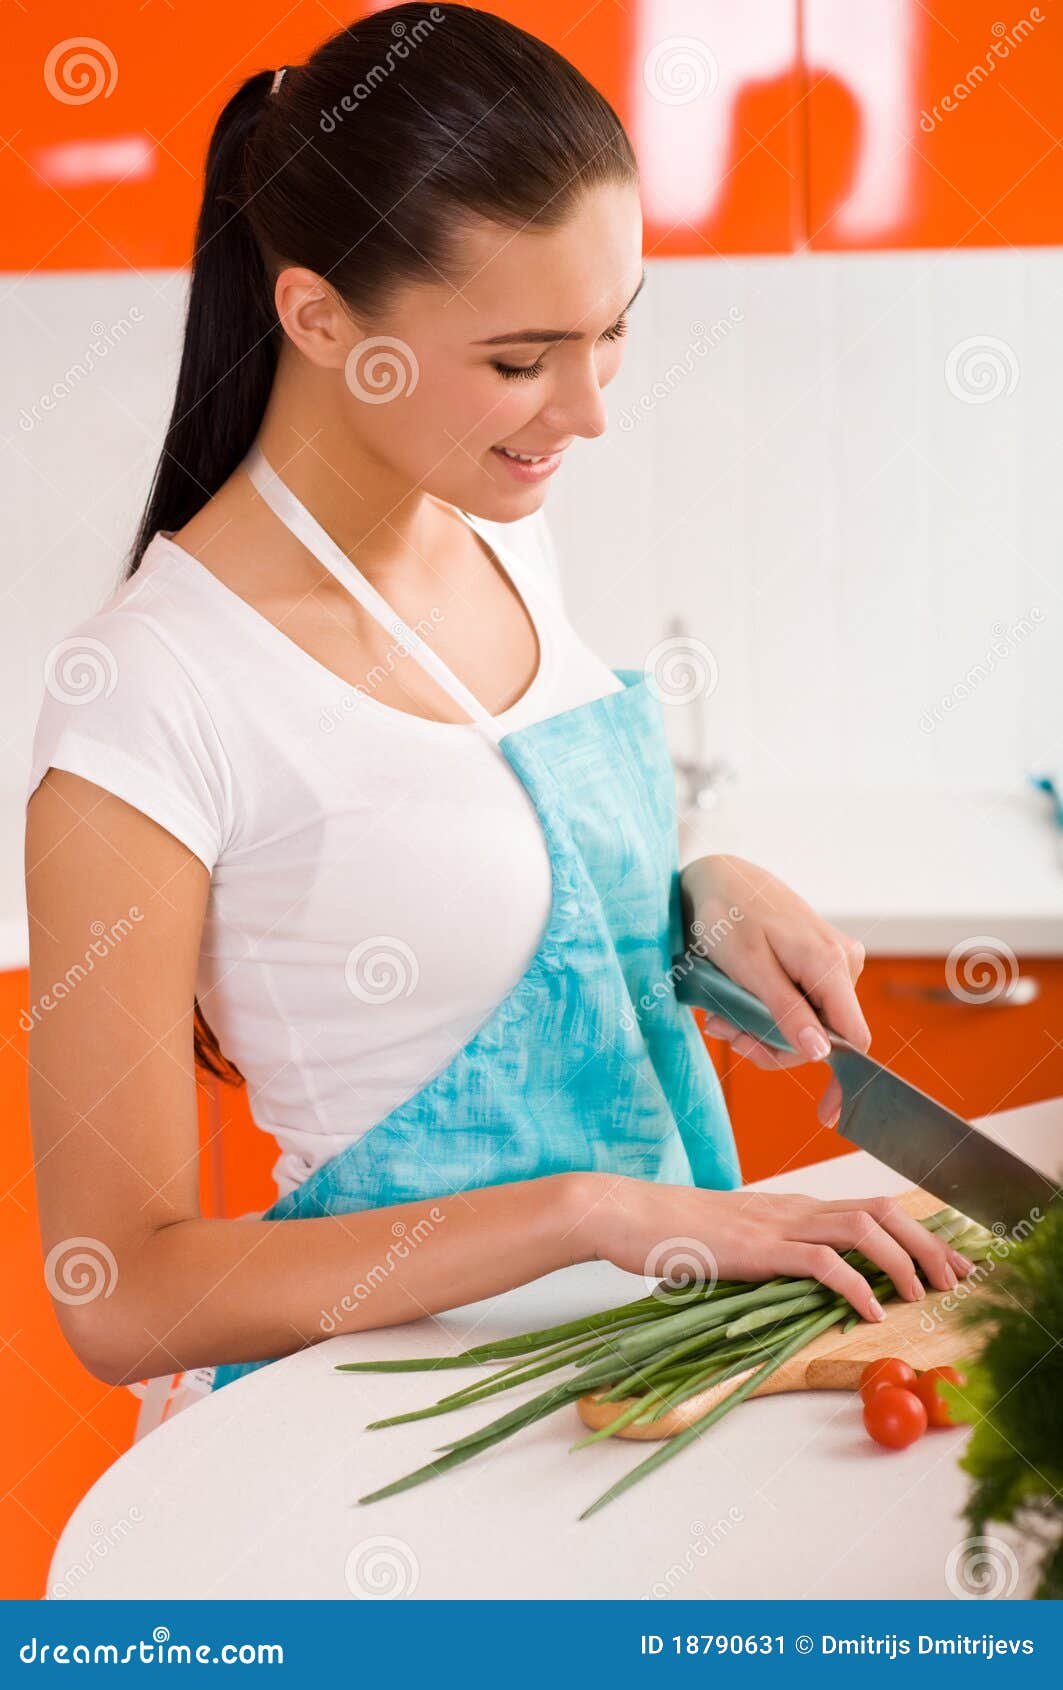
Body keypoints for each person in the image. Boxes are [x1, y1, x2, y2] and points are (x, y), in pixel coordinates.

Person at [24, 4, 971, 1396]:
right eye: (523, 360)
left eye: (611, 334)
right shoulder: (152, 695)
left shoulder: (496, 526)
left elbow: (481, 866)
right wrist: (586, 1211)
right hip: (385, 1430)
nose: (586, 410)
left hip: (649, 1376)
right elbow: (124, 1298)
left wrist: (697, 896)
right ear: (320, 317)